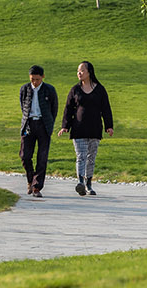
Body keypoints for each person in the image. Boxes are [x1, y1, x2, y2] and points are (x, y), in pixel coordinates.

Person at [60, 60, 113, 196]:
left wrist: (109, 126)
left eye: (82, 70)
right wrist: (65, 126)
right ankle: (80, 183)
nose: (79, 73)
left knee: (91, 158)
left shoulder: (100, 89)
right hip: (78, 129)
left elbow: (106, 108)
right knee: (81, 156)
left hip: (94, 129)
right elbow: (68, 109)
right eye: (78, 70)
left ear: (89, 72)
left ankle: (89, 183)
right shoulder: (75, 90)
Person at [18, 65, 59, 197]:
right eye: (32, 79)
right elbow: (22, 105)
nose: (34, 82)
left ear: (43, 77)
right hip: (29, 124)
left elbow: (54, 108)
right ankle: (30, 179)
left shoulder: (50, 90)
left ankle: (37, 187)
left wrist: (49, 124)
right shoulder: (24, 89)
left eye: (37, 79)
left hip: (43, 125)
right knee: (25, 155)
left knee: (42, 157)